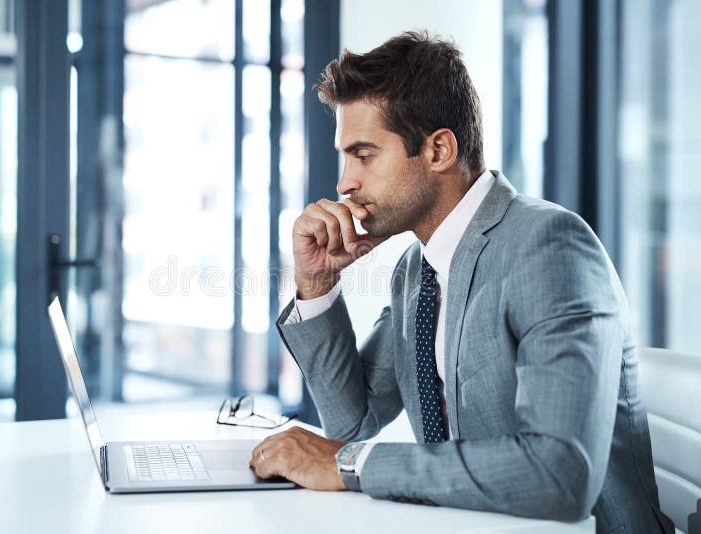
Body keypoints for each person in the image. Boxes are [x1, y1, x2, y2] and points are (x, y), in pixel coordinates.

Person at [248, 31, 673, 533]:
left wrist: (353, 465)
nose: (344, 183)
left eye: (363, 155)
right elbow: (353, 424)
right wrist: (316, 285)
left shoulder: (548, 245)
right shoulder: (417, 270)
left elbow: (559, 475)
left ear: (439, 150)